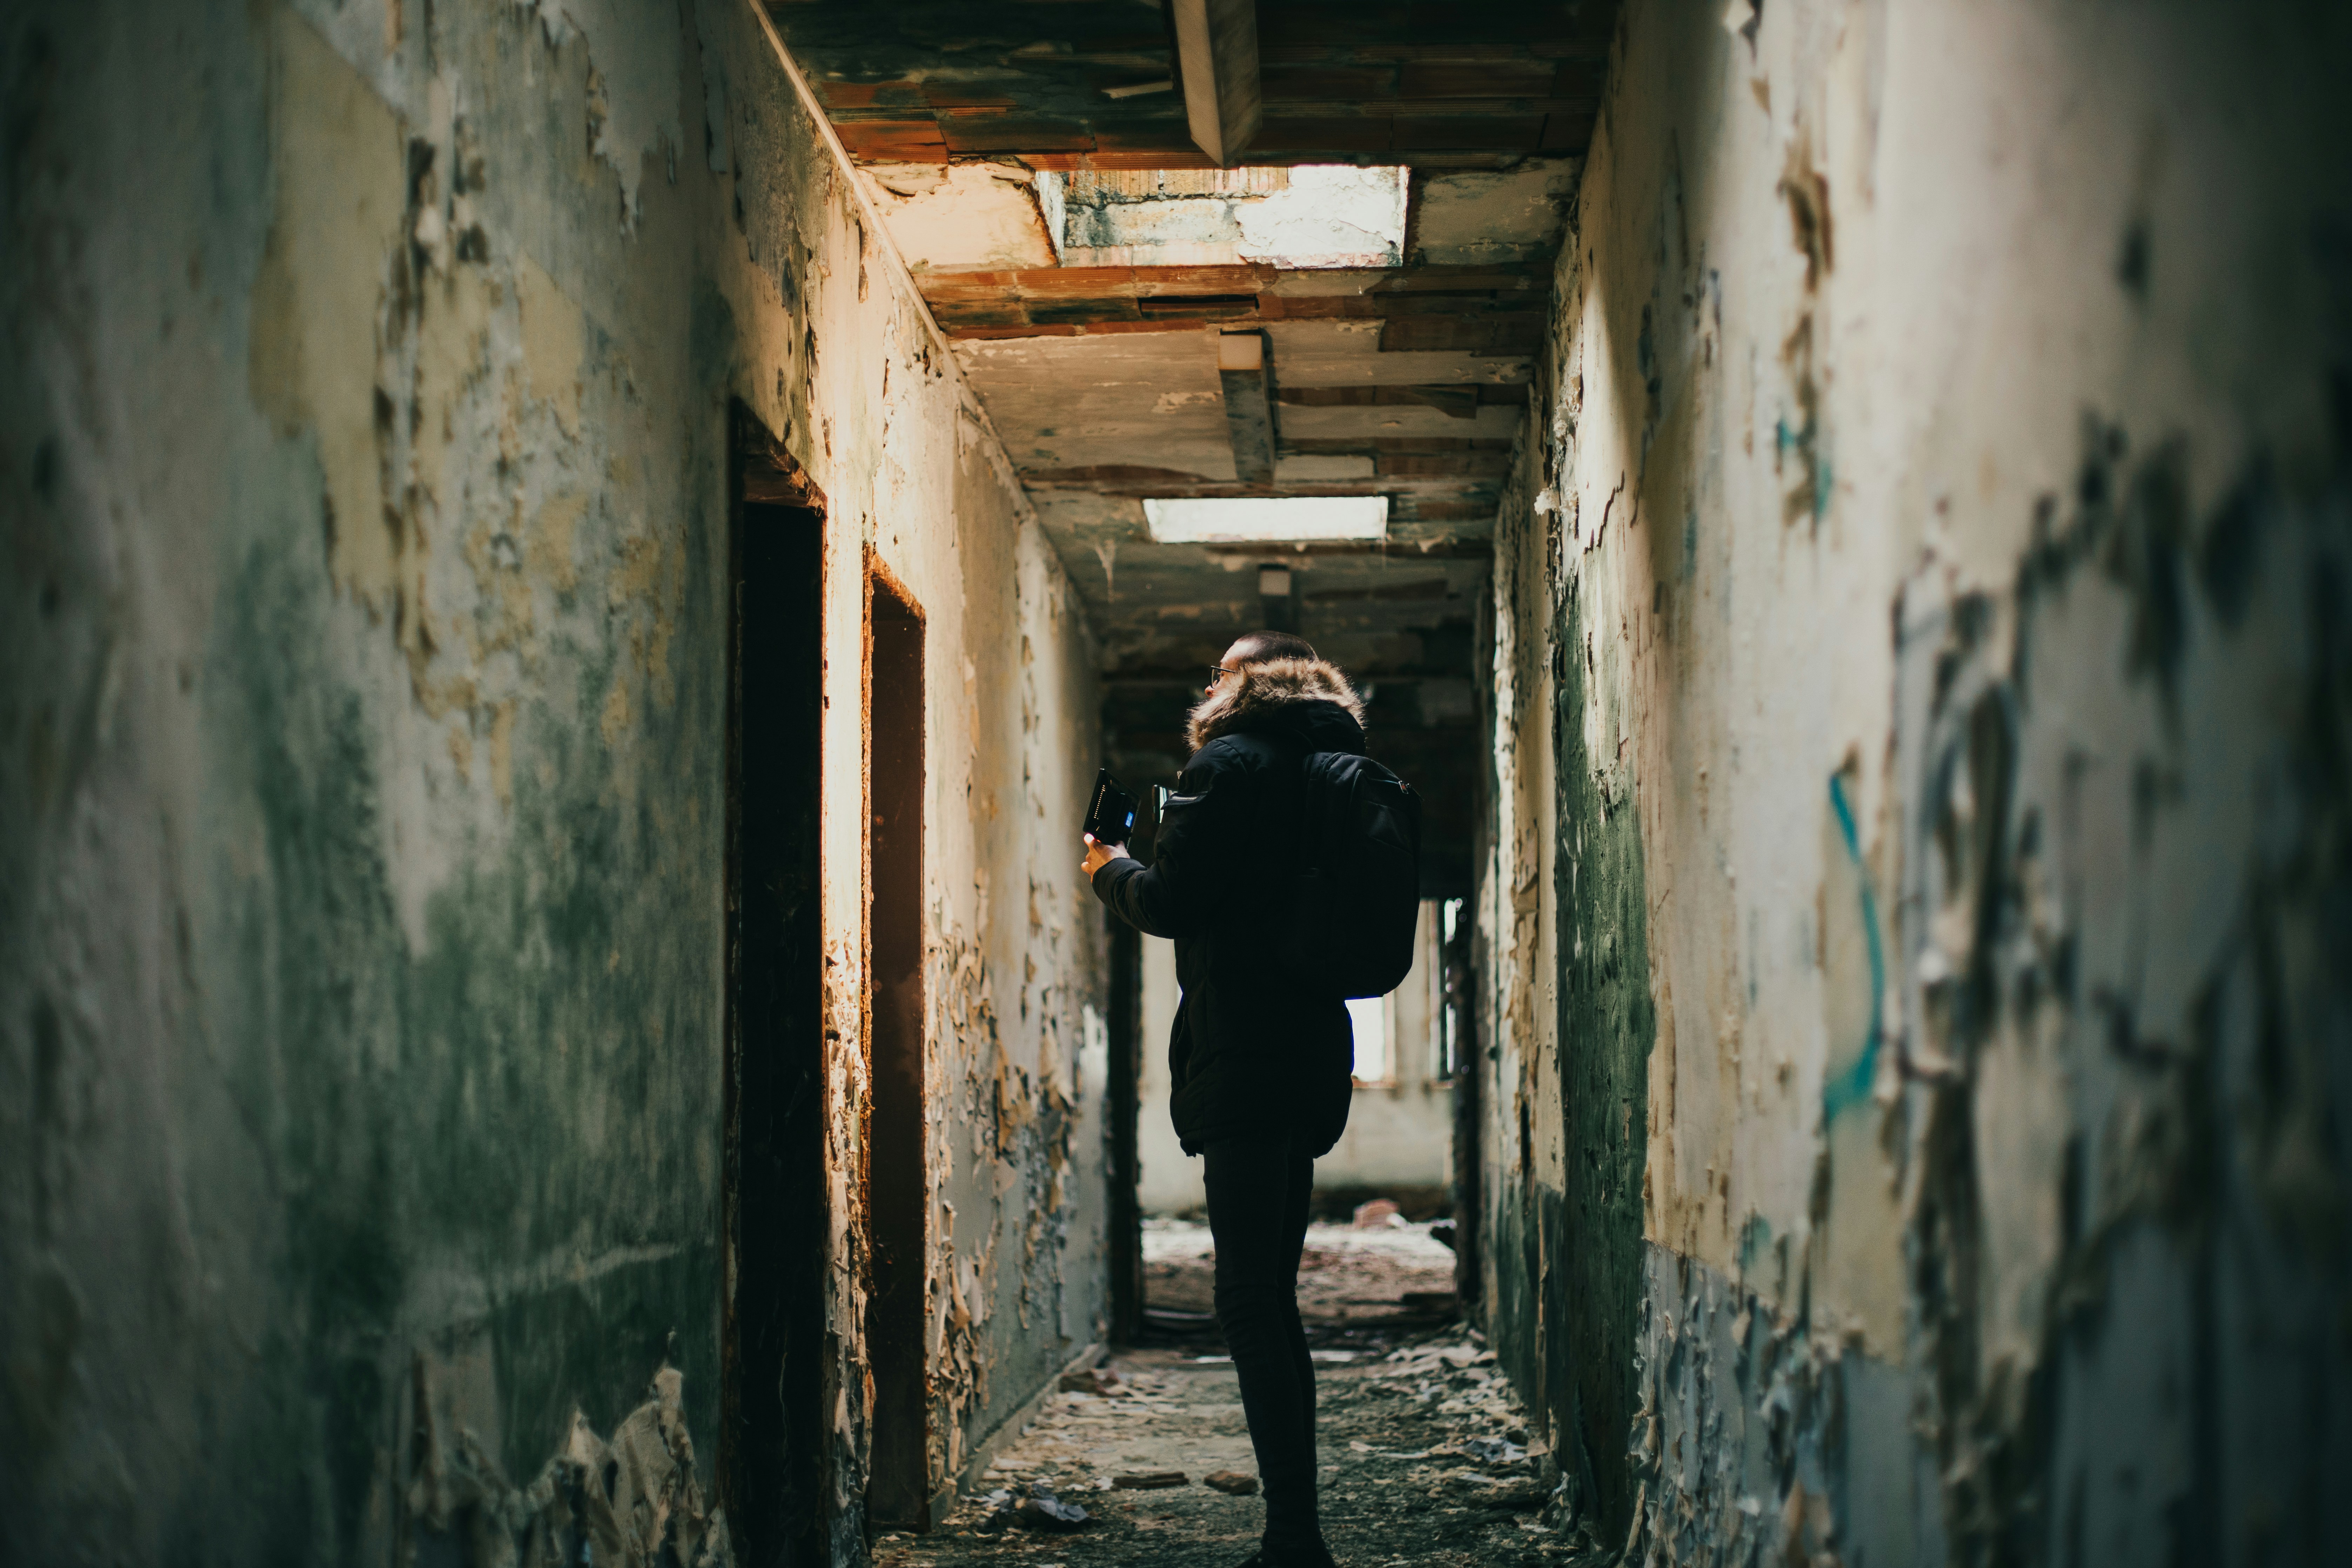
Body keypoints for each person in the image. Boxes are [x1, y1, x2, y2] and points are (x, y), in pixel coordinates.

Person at [1081, 630, 1364, 1568]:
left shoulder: (1223, 765)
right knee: (1269, 1296)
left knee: (1247, 1298)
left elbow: (1171, 903)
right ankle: (1295, 1530)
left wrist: (1107, 869)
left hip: (1241, 1051)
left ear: (1236, 683)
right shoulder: (1339, 767)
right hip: (1314, 1048)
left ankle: (1293, 1536)